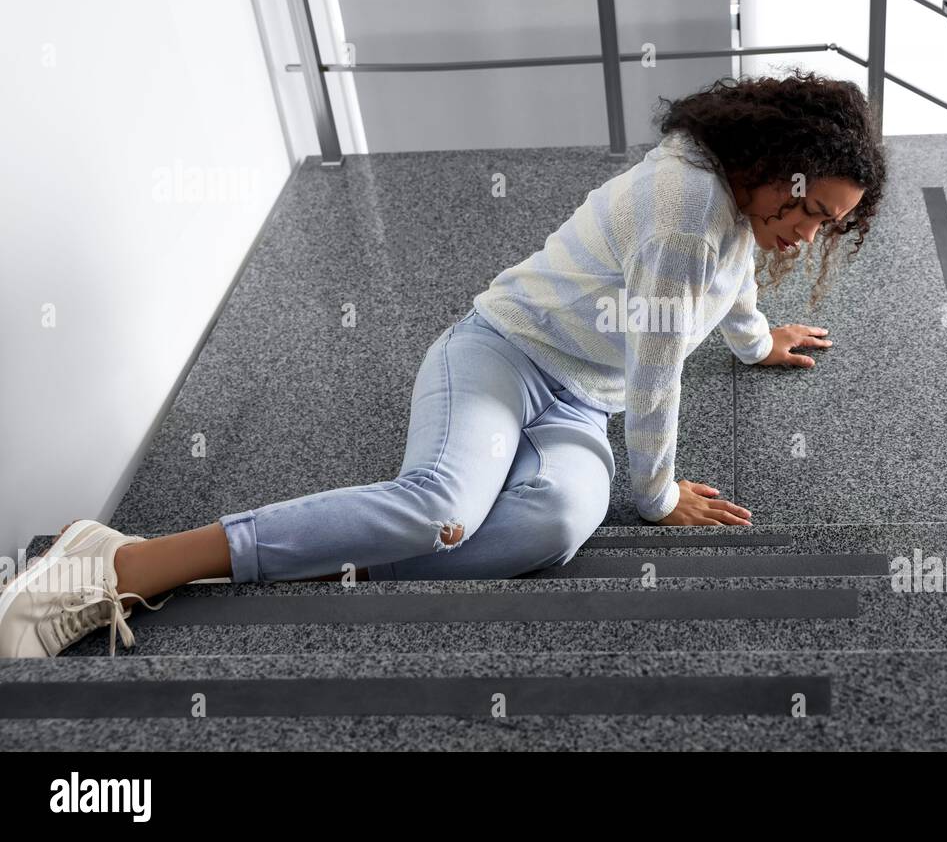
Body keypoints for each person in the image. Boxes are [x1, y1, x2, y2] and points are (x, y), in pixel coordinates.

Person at [0, 70, 886, 658]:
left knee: (552, 530)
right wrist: (656, 498)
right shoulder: (686, 209)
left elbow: (729, 284)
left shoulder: (735, 208)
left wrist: (759, 339)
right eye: (812, 205)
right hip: (500, 354)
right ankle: (125, 562)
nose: (813, 230)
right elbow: (657, 372)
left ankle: (324, 550)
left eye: (833, 225)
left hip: (576, 410)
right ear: (775, 158)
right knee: (441, 506)